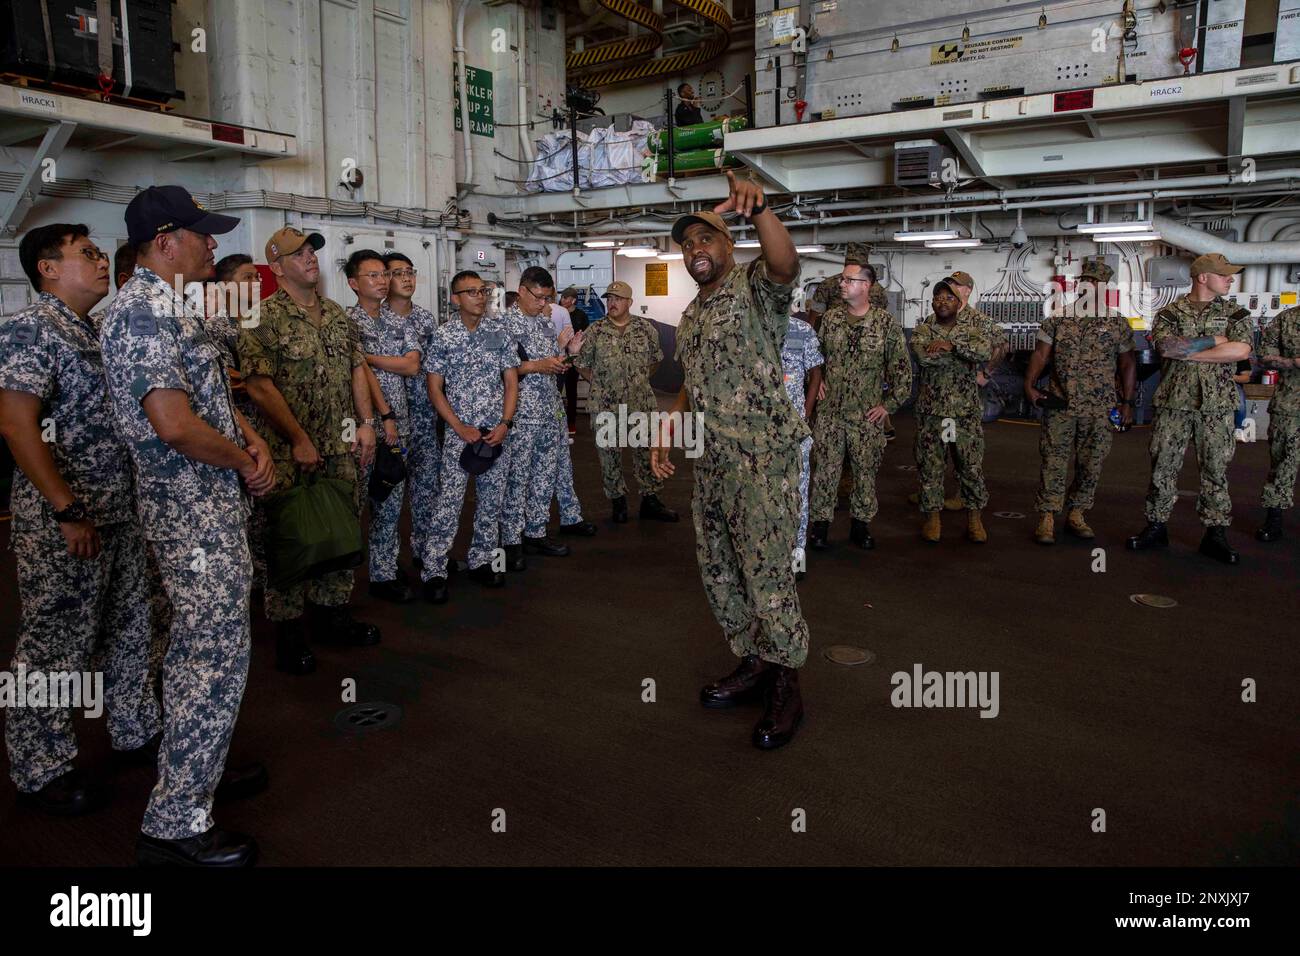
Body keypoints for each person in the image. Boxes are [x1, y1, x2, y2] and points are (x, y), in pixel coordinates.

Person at [99, 185, 276, 866]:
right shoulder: (144, 312)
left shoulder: (176, 309)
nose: (213, 244)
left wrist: (247, 441)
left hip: (205, 504)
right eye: (202, 235)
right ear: (165, 241)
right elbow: (173, 426)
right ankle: (176, 822)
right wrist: (245, 464)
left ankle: (198, 763)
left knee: (199, 653)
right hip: (190, 512)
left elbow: (205, 407)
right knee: (211, 657)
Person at [0, 224, 161, 816]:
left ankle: (133, 731)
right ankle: (40, 767)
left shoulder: (91, 331)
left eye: (99, 254)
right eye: (86, 255)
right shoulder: (28, 328)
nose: (100, 263)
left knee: (129, 629)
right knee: (53, 646)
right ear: (47, 269)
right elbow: (17, 425)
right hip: (64, 520)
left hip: (118, 512)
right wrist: (67, 509)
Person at [652, 170, 809, 751]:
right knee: (720, 569)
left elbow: (786, 264)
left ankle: (787, 683)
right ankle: (754, 660)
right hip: (714, 462)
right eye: (687, 243)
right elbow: (693, 383)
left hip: (763, 459)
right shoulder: (691, 317)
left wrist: (762, 208)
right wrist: (666, 429)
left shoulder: (754, 288)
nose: (696, 249)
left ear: (729, 244)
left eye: (707, 238)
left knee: (767, 575)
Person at [239, 227, 380, 675]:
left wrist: (366, 424)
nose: (309, 258)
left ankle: (333, 614)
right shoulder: (260, 319)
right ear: (277, 267)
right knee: (291, 540)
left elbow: (357, 368)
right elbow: (259, 387)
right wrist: (299, 439)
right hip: (286, 454)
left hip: (340, 447)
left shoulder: (338, 315)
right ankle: (289, 631)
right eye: (297, 254)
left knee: (339, 529)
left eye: (311, 251)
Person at [1126, 253, 1253, 564]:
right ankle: (1156, 526)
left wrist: (1189, 352)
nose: (1230, 279)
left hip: (1217, 405)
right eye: (1224, 274)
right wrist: (1214, 340)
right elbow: (1167, 348)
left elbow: (1240, 350)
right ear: (1202, 277)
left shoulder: (1236, 314)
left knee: (1216, 470)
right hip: (1174, 403)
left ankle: (1215, 534)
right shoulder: (1170, 313)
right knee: (1163, 466)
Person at [419, 270, 519, 601]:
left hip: (495, 433)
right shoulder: (443, 336)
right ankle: (433, 569)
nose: (480, 296)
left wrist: (505, 423)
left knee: (491, 503)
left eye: (483, 290)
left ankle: (482, 562)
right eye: (471, 291)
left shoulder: (499, 331)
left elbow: (511, 381)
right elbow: (434, 388)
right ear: (455, 298)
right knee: (448, 503)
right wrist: (458, 426)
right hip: (459, 434)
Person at [1024, 257, 1136, 544]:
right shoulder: (1058, 318)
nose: (1090, 286)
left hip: (1099, 407)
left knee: (1091, 463)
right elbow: (1040, 355)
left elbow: (1127, 364)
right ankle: (1048, 516)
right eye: (1086, 280)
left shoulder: (1117, 322)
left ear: (1105, 287)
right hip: (1060, 404)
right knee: (1053, 460)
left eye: (1097, 282)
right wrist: (1029, 385)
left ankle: (1076, 512)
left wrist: (1127, 402)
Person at [806, 249, 911, 552]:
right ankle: (821, 527)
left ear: (866, 286)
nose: (842, 284)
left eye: (849, 280)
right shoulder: (830, 320)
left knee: (865, 473)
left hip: (866, 416)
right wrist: (817, 381)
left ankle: (860, 526)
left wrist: (888, 406)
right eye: (842, 279)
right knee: (825, 471)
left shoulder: (884, 324)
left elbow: (902, 371)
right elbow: (815, 359)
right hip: (830, 414)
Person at [345, 249, 419, 603]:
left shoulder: (398, 321)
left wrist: (369, 358)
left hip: (398, 425)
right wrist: (382, 415)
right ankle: (338, 583)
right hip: (364, 425)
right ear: (352, 283)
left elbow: (411, 366)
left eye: (383, 275)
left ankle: (383, 573)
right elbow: (361, 374)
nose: (382, 281)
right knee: (354, 504)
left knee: (390, 500)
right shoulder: (345, 322)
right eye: (372, 276)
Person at [575, 280, 678, 524]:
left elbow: (655, 362)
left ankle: (650, 500)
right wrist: (601, 383)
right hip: (605, 404)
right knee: (609, 455)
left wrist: (637, 382)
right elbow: (582, 364)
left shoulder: (645, 329)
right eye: (609, 299)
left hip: (640, 402)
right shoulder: (595, 331)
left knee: (646, 452)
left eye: (618, 299)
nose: (612, 303)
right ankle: (618, 502)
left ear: (629, 302)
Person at [910, 280, 993, 543]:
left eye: (949, 297)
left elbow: (984, 351)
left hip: (964, 413)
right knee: (930, 467)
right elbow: (924, 357)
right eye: (938, 297)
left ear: (959, 303)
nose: (943, 301)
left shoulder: (971, 330)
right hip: (932, 412)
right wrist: (963, 355)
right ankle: (933, 518)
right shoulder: (923, 329)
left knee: (970, 466)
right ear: (932, 302)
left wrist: (952, 346)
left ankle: (974, 518)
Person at [499, 267, 571, 569]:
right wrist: (539, 365)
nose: (545, 304)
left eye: (548, 298)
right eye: (540, 298)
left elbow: (549, 360)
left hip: (548, 411)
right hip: (521, 414)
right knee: (517, 478)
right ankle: (511, 540)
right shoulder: (502, 325)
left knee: (544, 476)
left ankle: (536, 532)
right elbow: (502, 370)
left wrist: (565, 354)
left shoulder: (544, 324)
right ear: (522, 292)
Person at [385, 252, 443, 571]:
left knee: (427, 492)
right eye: (398, 272)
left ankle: (426, 555)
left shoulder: (425, 319)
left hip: (424, 417)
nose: (407, 278)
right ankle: (387, 570)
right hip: (391, 422)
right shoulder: (376, 320)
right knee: (389, 499)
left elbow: (433, 368)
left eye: (410, 272)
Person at [778, 294, 823, 578]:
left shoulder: (802, 330)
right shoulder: (751, 329)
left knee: (799, 493)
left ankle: (797, 555)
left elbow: (815, 374)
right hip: (761, 430)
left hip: (795, 430)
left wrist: (805, 414)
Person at [1256, 304, 1300, 541]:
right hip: (1290, 405)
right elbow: (1263, 356)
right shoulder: (1287, 319)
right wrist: (1293, 362)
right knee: (1283, 462)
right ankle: (1274, 518)